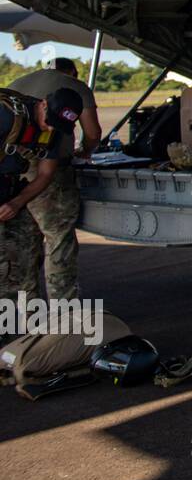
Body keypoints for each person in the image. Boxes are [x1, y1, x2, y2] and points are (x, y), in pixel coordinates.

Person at [10, 58, 100, 300]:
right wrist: (85, 152)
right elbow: (92, 133)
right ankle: (64, 310)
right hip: (45, 172)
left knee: (25, 243)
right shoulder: (74, 88)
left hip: (13, 173)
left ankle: (28, 310)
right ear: (71, 72)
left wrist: (17, 201)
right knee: (58, 238)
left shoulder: (18, 83)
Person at [0, 87, 83, 317]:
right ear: (43, 104)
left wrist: (17, 202)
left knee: (22, 261)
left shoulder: (55, 128)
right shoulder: (6, 116)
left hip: (10, 188)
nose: (51, 128)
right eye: (50, 121)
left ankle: (28, 329)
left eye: (59, 125)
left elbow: (45, 175)